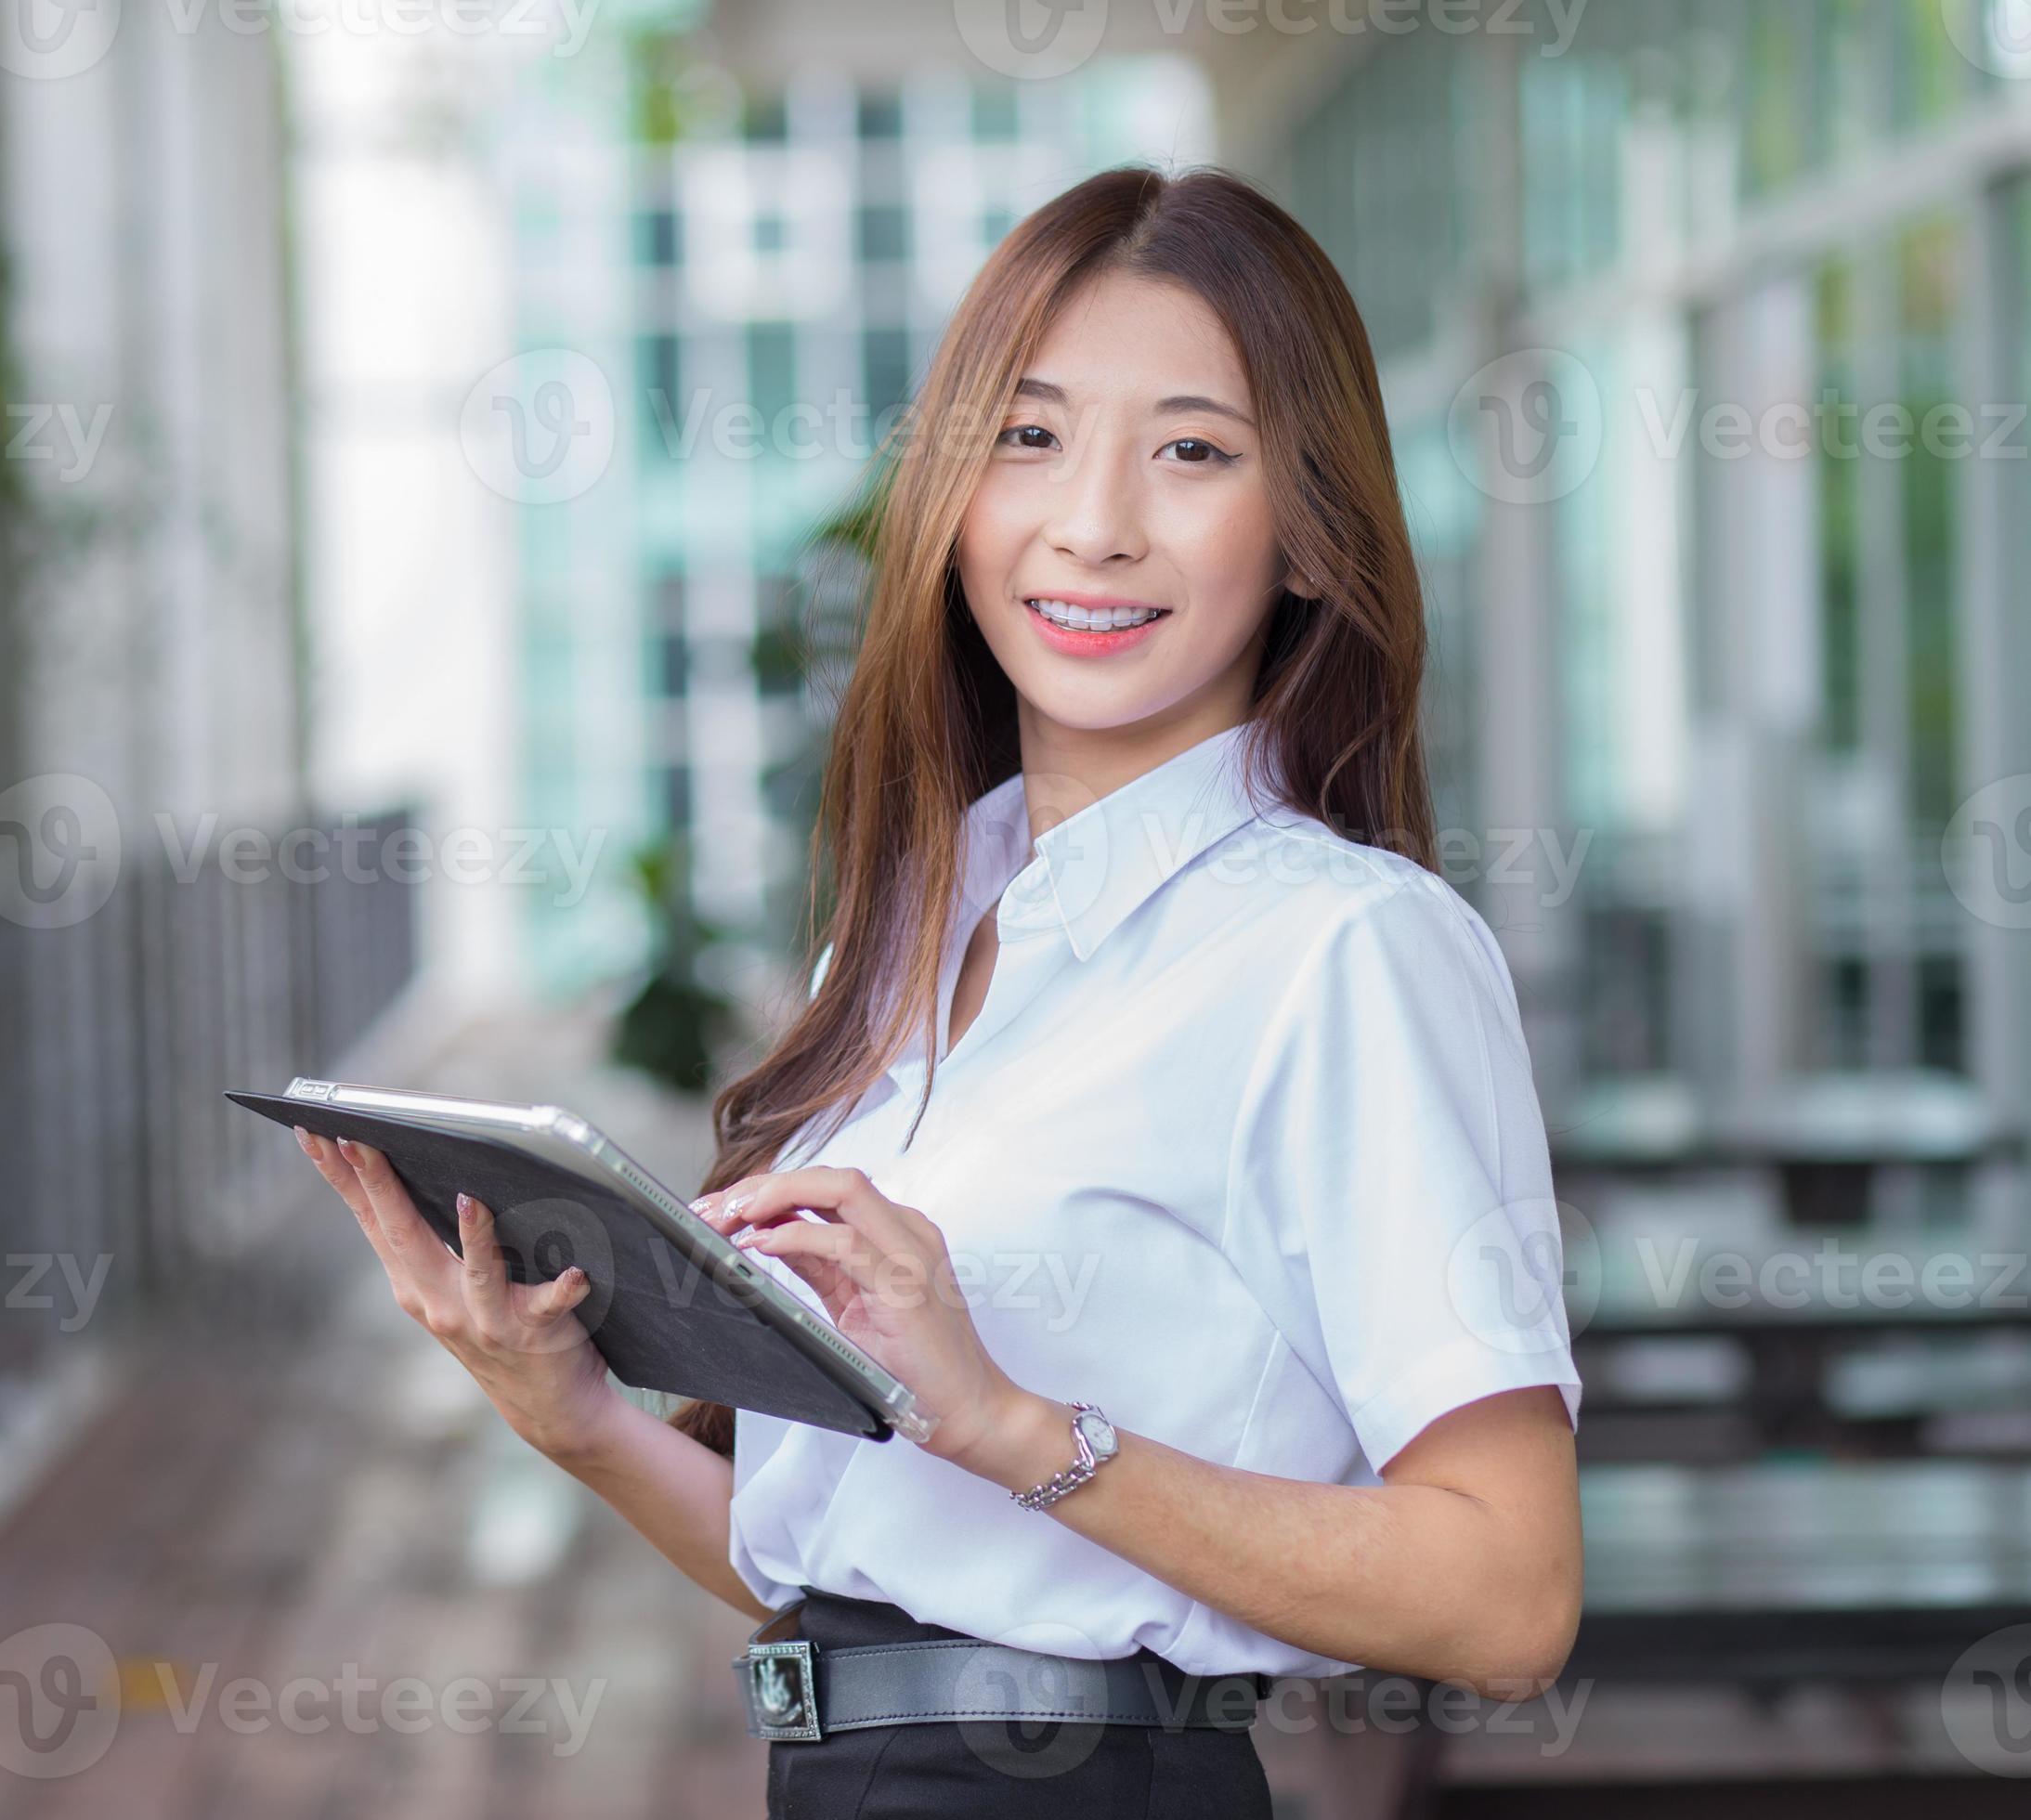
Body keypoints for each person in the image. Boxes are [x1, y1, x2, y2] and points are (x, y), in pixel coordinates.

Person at [294, 162, 1584, 1818]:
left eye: (1191, 450)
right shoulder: (905, 939)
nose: (1094, 519)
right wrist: (579, 1423)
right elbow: (867, 1587)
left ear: (1312, 537)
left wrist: (1019, 1424)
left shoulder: (1344, 952)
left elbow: (1510, 1598)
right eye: (1029, 436)